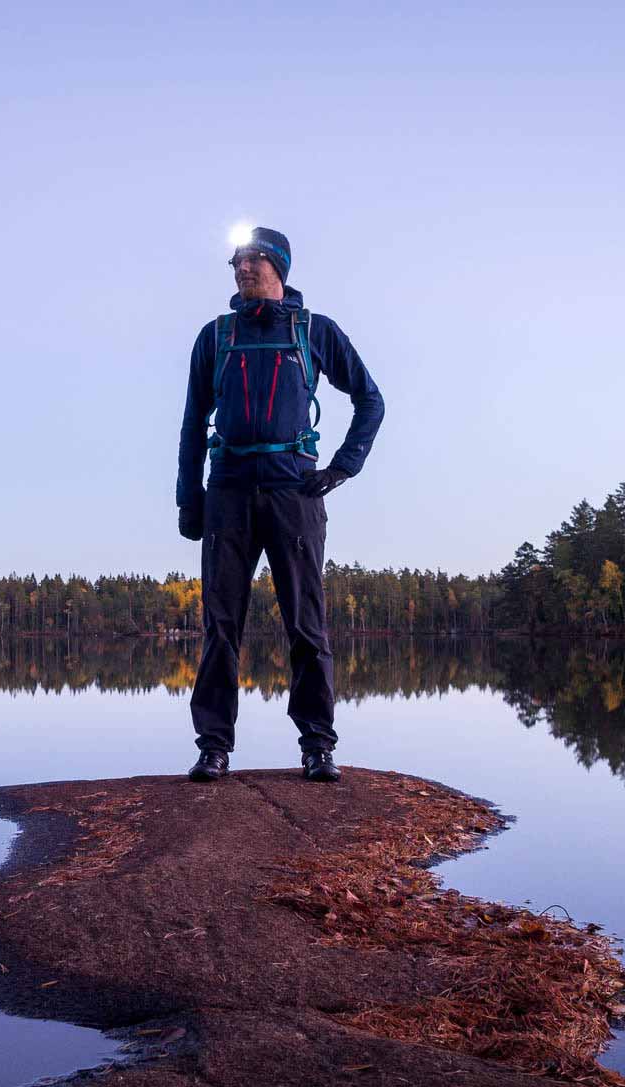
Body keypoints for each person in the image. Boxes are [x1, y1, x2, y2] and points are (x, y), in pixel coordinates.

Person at [175, 227, 384, 783]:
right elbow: (193, 423)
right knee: (220, 624)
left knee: (306, 624)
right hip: (229, 492)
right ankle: (213, 747)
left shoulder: (315, 331)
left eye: (253, 261)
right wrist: (188, 499)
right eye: (236, 263)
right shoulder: (215, 336)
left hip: (296, 492)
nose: (242, 270)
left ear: (279, 267)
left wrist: (343, 466)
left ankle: (317, 744)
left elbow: (370, 399)